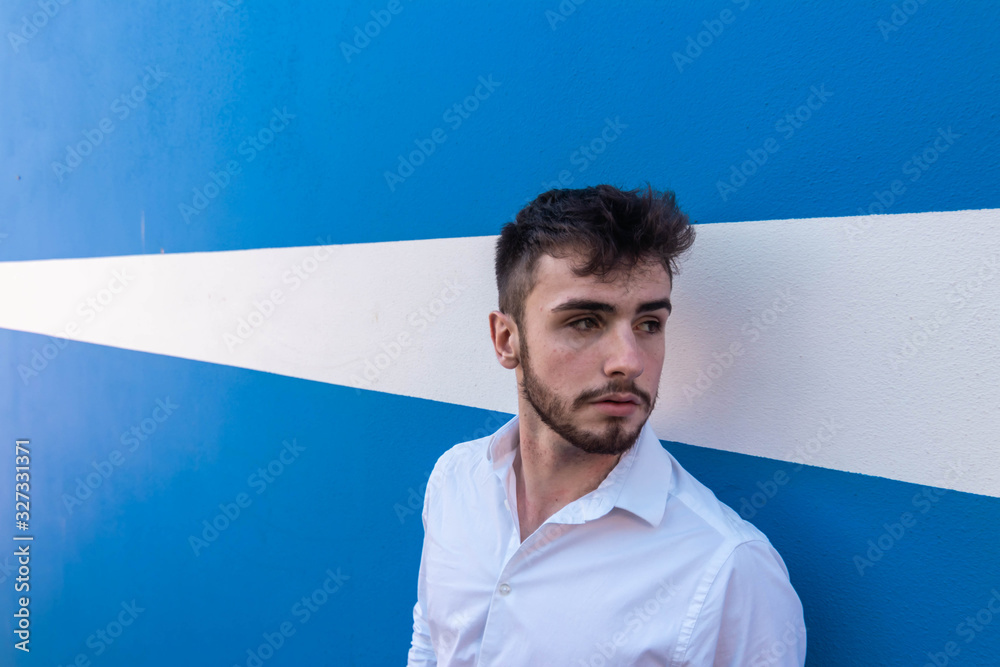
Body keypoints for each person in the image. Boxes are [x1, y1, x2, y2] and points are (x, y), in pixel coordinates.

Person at [407, 184, 806, 666]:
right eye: (585, 321)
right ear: (507, 339)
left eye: (649, 324)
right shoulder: (455, 482)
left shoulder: (728, 570)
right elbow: (430, 645)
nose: (629, 362)